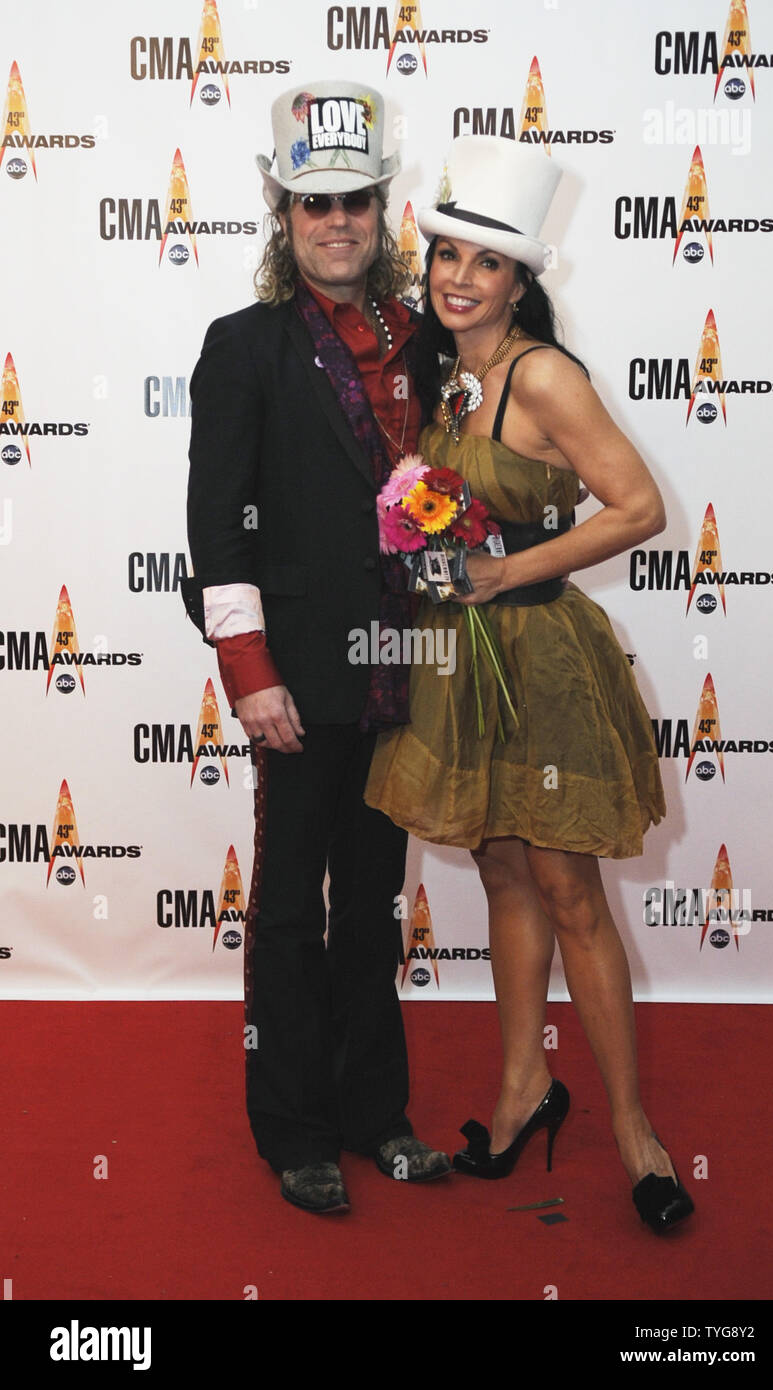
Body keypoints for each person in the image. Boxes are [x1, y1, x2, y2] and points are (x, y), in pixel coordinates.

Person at [364, 135, 695, 1234]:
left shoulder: (542, 375)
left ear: (521, 279)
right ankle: (520, 1094)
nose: (456, 277)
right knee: (504, 873)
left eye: (484, 264)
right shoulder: (448, 373)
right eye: (446, 255)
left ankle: (637, 1130)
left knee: (571, 899)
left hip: (540, 660)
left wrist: (508, 565)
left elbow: (638, 508)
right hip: (461, 661)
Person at [184, 81, 450, 1214]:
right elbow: (213, 527)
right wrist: (250, 677)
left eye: (354, 201)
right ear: (280, 217)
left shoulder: (431, 343)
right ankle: (292, 1127)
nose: (336, 221)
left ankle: (373, 1113)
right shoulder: (241, 347)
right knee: (292, 905)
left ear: (383, 209)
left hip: (406, 677)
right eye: (312, 205)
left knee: (377, 903)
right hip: (297, 682)